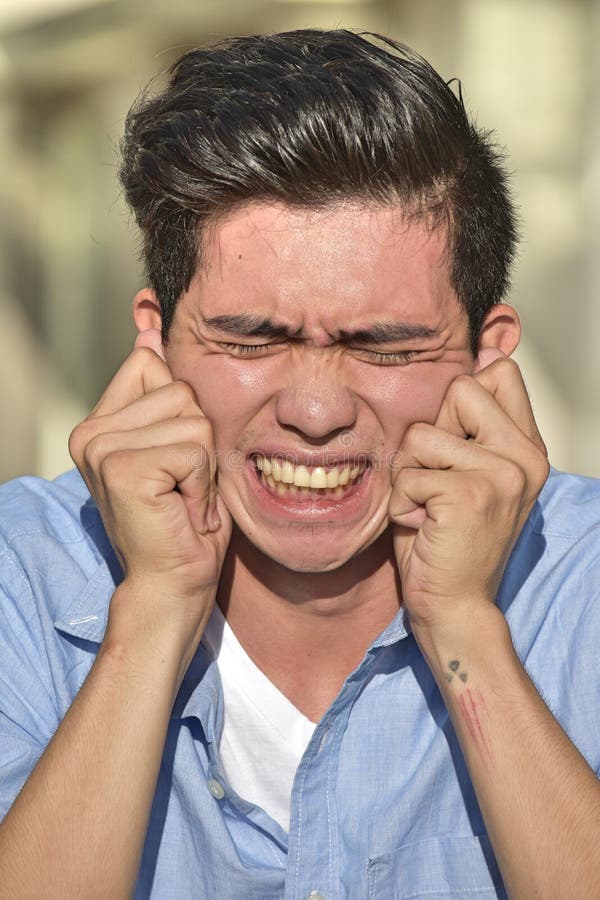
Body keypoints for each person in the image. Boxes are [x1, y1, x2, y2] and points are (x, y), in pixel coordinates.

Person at [0, 28, 598, 899]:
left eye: (383, 347)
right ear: (156, 341)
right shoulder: (21, 574)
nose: (314, 412)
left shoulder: (581, 581)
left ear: (487, 359)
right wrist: (155, 608)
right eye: (252, 338)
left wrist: (464, 624)